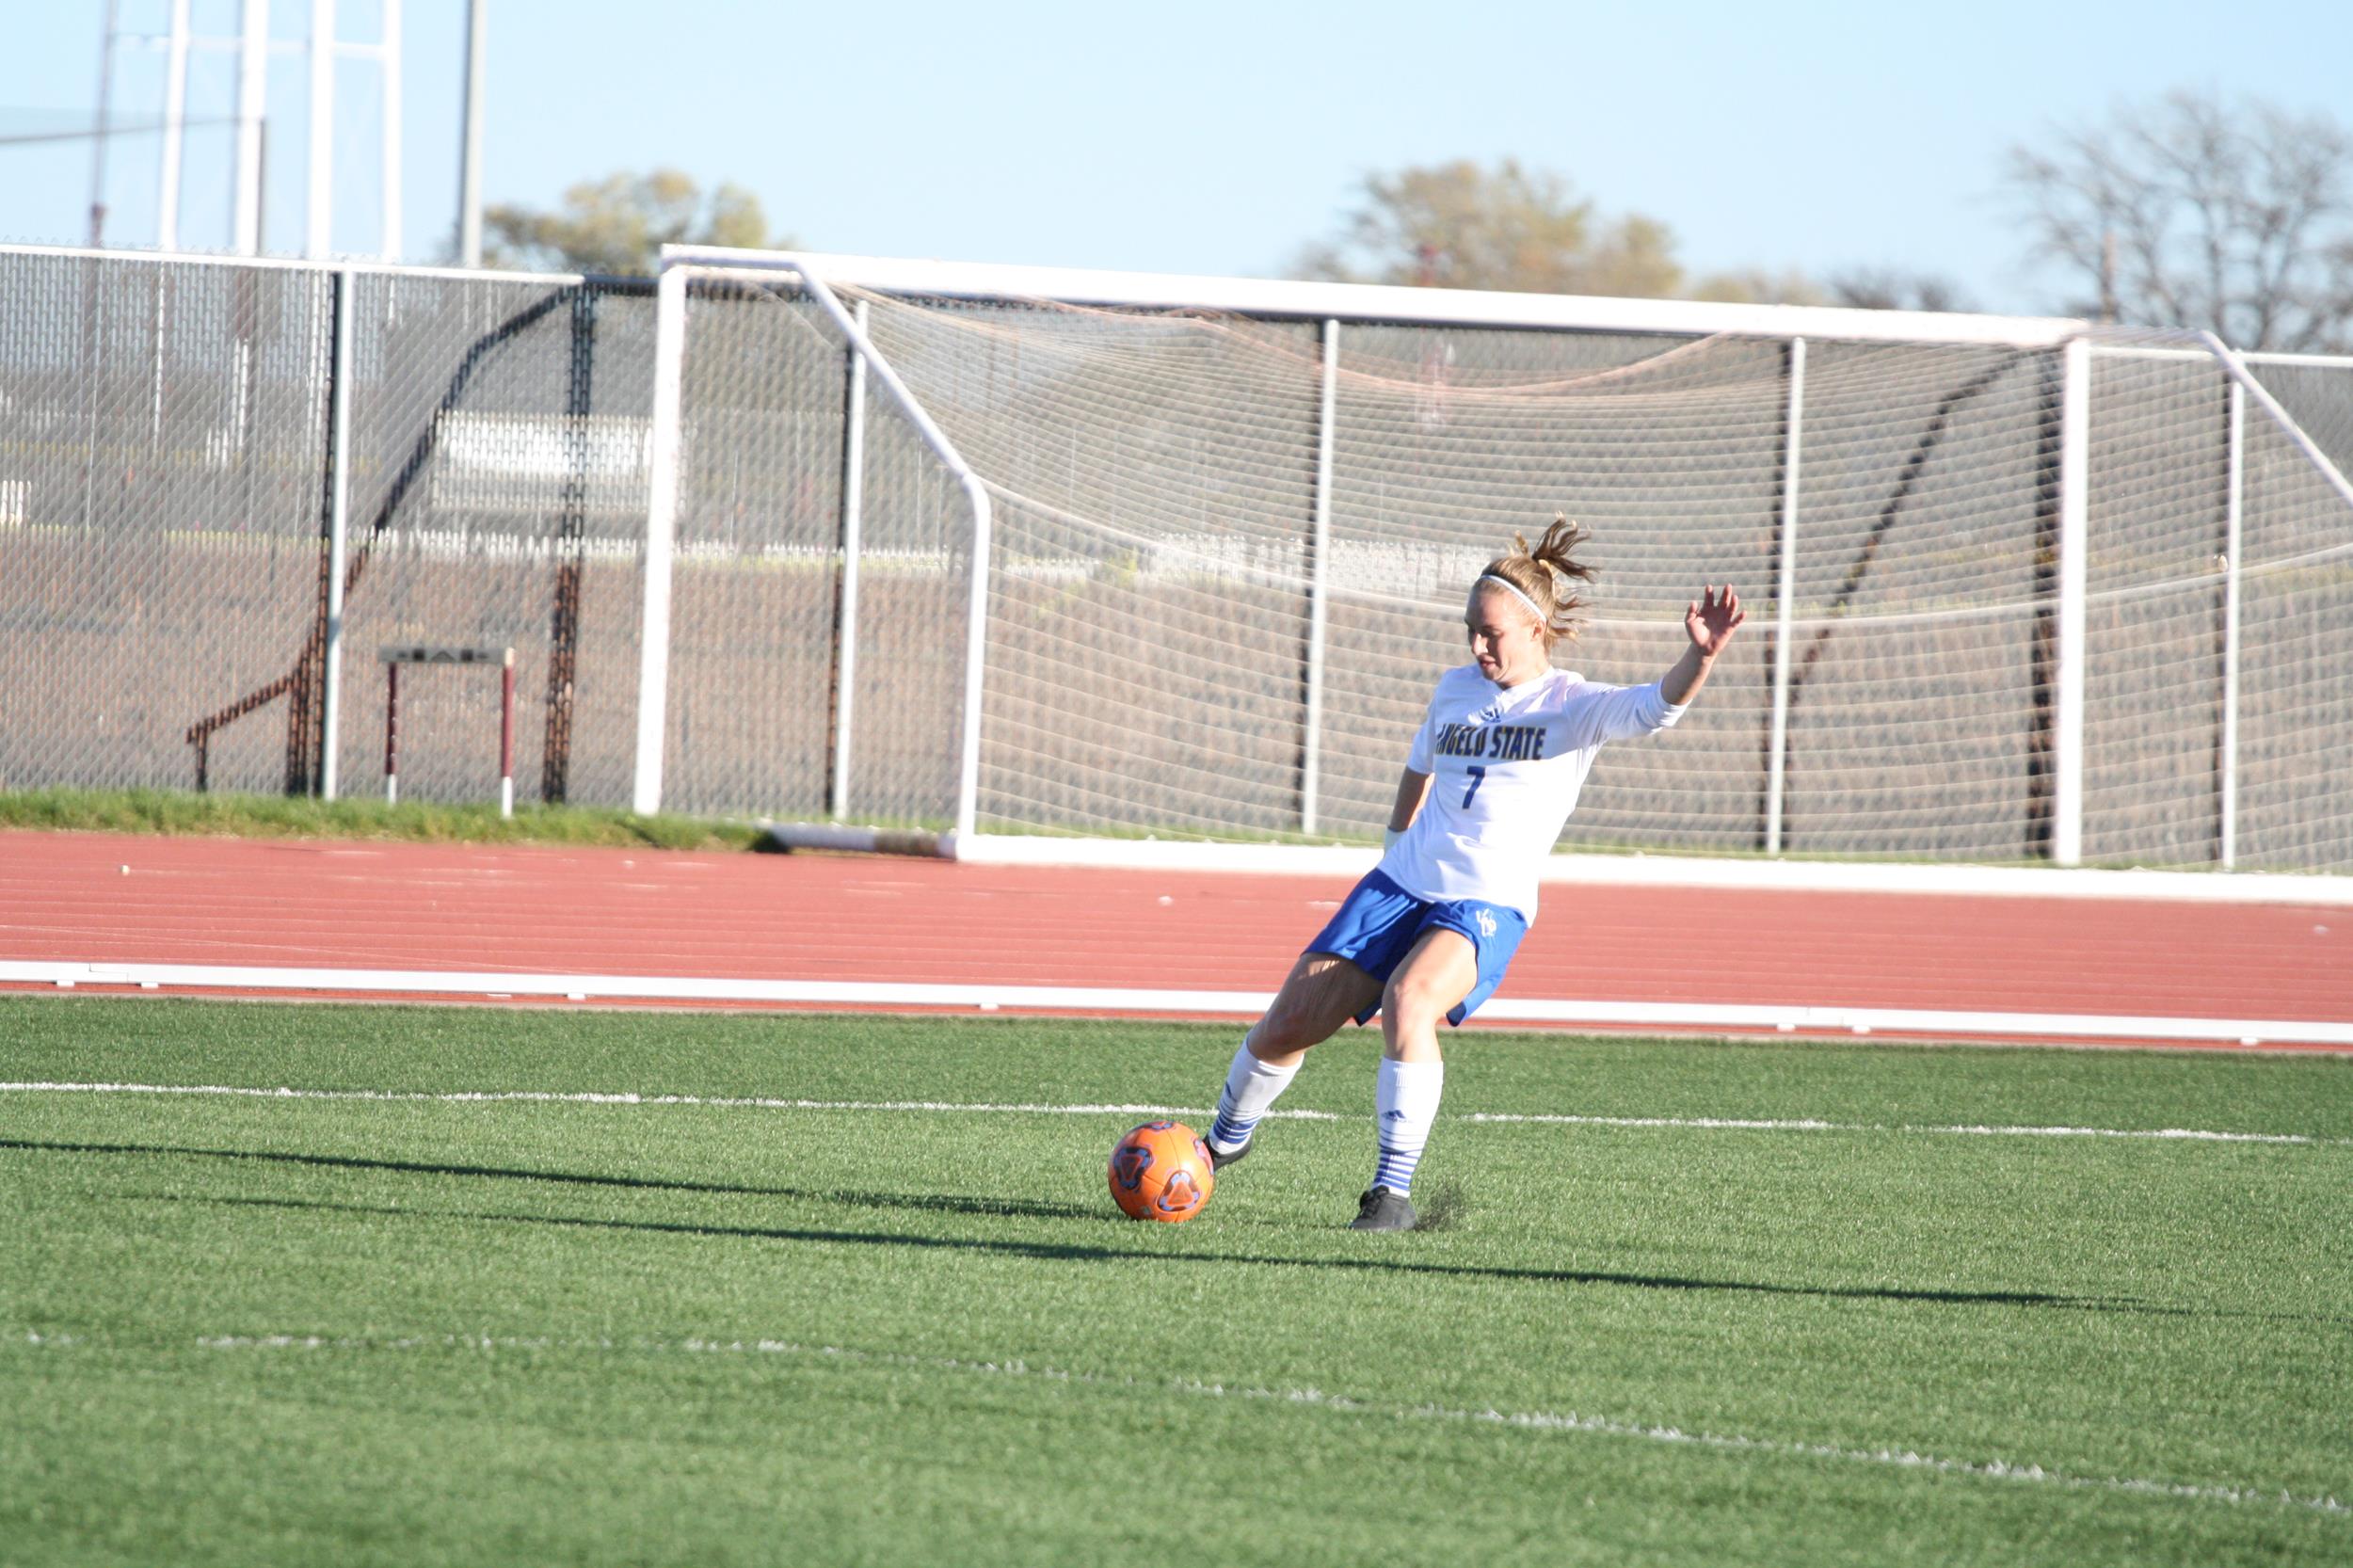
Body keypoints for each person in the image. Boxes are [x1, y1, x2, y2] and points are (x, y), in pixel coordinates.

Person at [1201, 517, 1745, 1231]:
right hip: (1399, 887)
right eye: (1470, 629)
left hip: (1486, 901)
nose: (1476, 645)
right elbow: (1419, 765)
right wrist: (1395, 845)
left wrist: (1698, 658)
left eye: (1491, 633)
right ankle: (1211, 1150)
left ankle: (1389, 1194)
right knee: (1287, 1025)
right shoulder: (1455, 688)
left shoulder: (1572, 705)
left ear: (1536, 630)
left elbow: (1655, 709)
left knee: (1412, 1000)